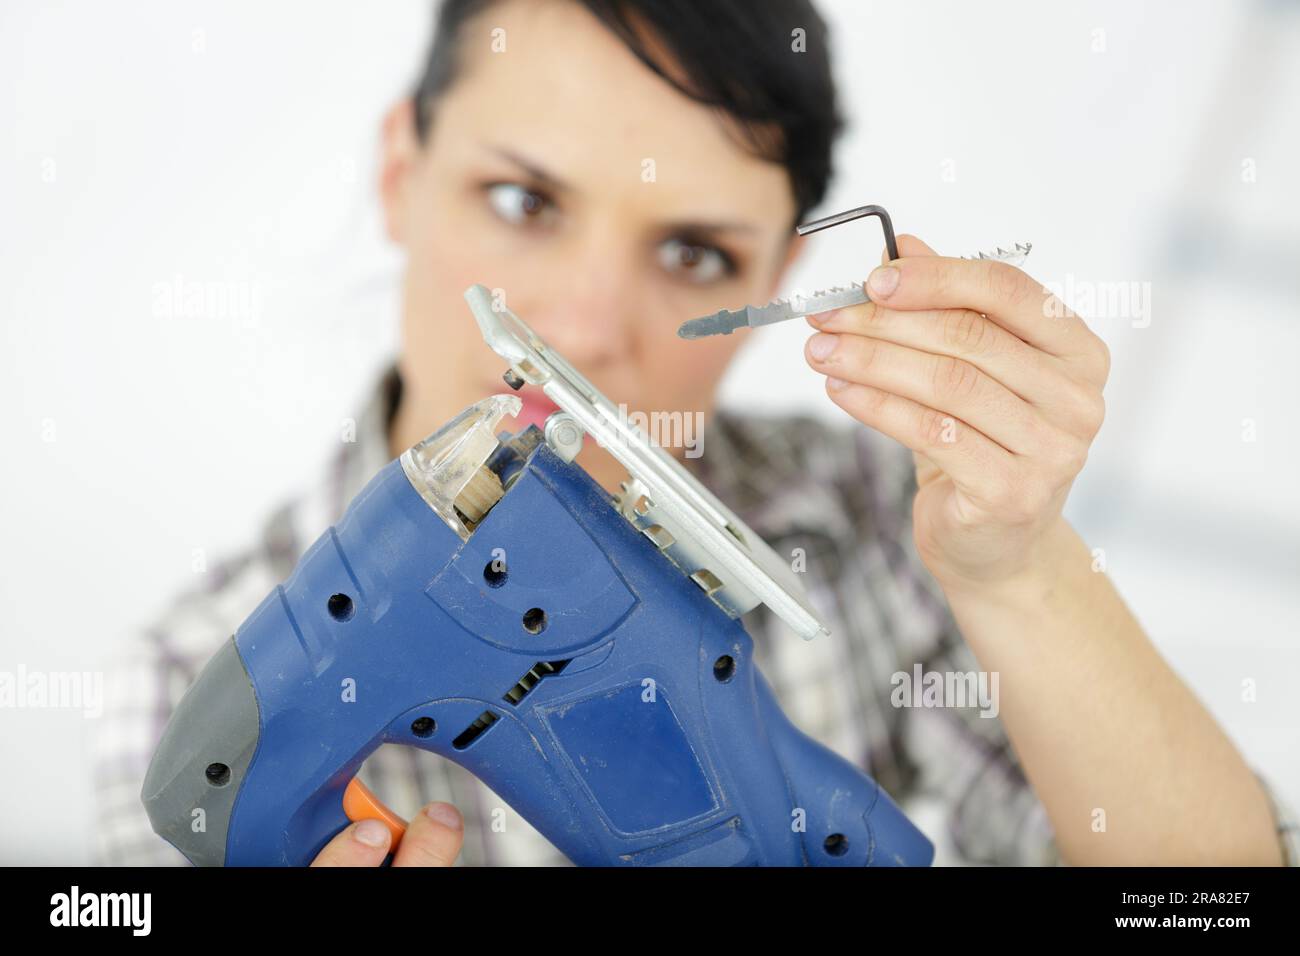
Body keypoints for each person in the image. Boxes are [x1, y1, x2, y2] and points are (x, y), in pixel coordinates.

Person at [92, 0, 1296, 867]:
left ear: (781, 279)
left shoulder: (878, 512)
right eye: (523, 200)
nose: (582, 325)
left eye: (693, 252)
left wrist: (1022, 571)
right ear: (402, 171)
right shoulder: (192, 677)